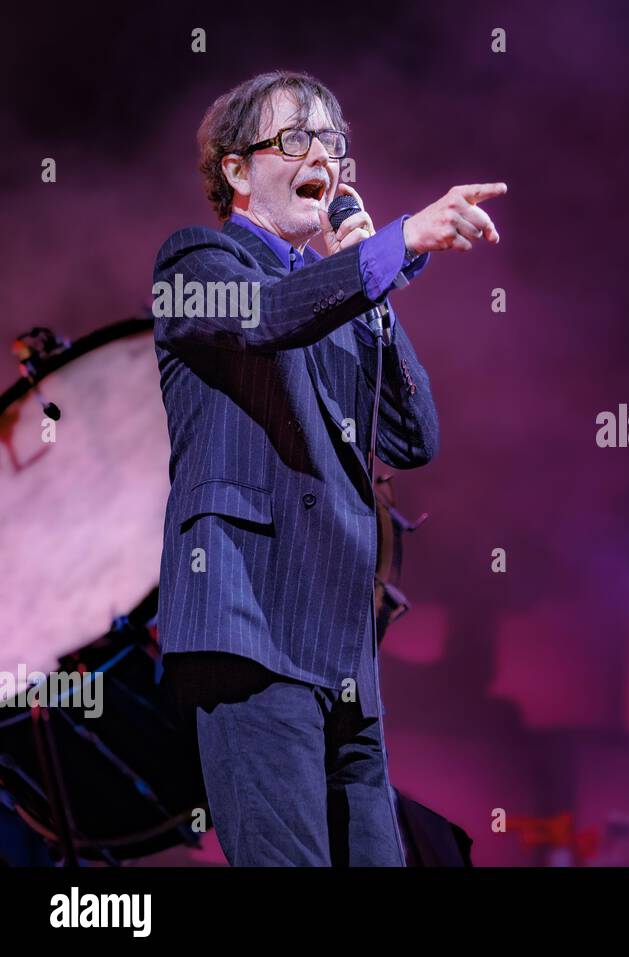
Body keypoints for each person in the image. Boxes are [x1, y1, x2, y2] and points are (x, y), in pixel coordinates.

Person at [152, 70, 506, 865]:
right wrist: (393, 248)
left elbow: (415, 437)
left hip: (344, 653)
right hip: (249, 625)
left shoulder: (339, 294)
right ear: (237, 171)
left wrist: (373, 289)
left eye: (333, 143)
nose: (323, 156)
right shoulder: (196, 262)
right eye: (295, 139)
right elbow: (267, 315)